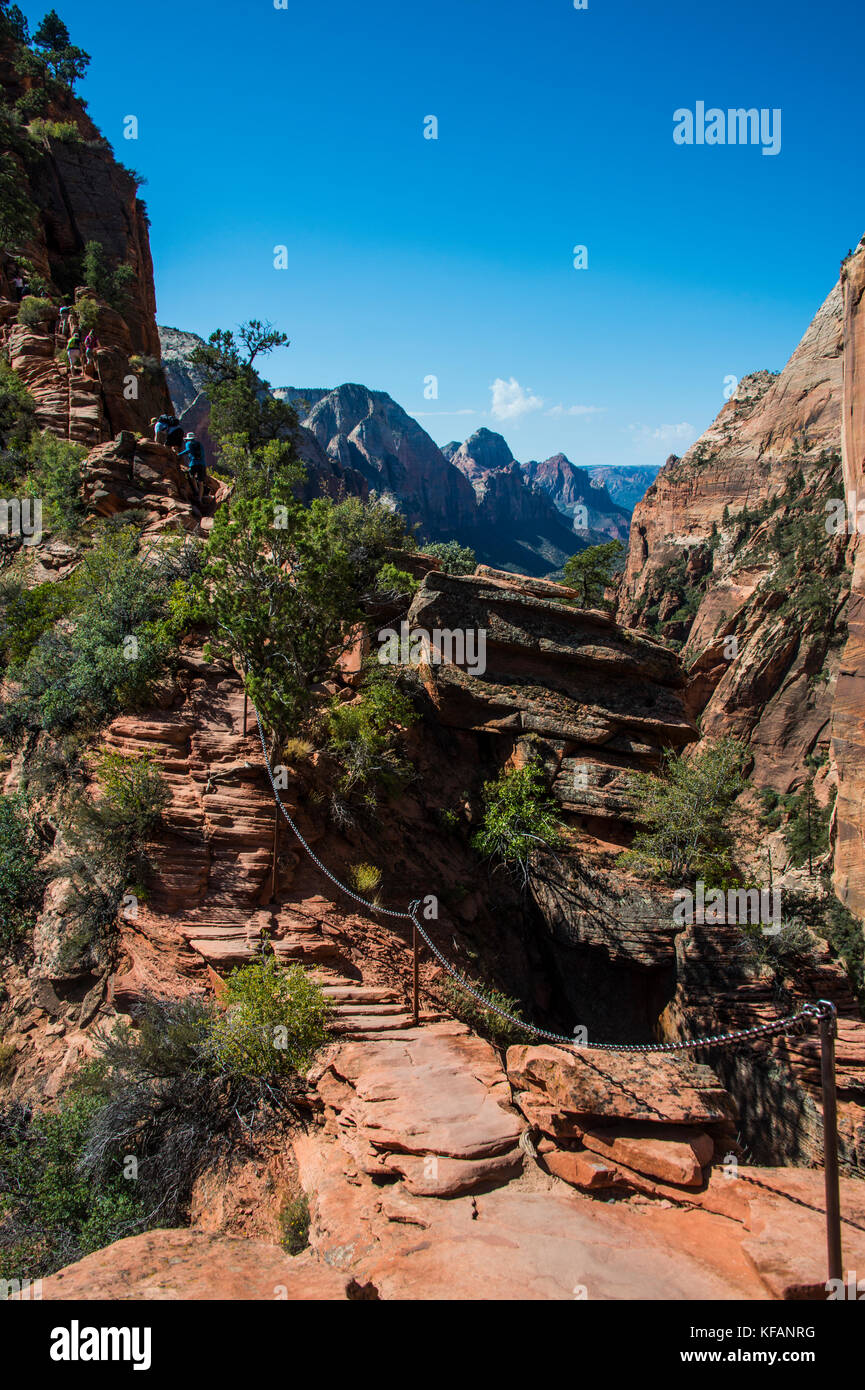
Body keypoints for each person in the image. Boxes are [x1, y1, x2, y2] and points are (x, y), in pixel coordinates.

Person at [179, 431, 207, 507]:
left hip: (193, 463)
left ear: (188, 438)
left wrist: (179, 454)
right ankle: (200, 499)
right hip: (202, 464)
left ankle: (196, 490)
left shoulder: (188, 443)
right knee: (201, 482)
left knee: (191, 476)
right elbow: (203, 454)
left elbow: (187, 450)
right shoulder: (199, 444)